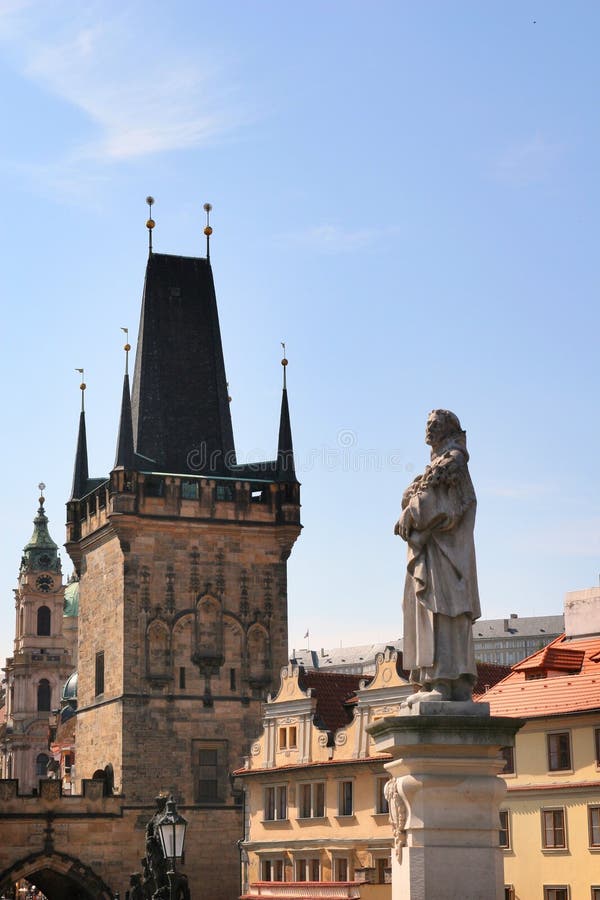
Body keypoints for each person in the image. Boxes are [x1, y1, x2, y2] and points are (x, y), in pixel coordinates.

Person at [395, 409, 481, 703]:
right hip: (435, 552)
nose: (428, 430)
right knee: (436, 610)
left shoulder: (453, 461)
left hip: (446, 555)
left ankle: (443, 683)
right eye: (427, 424)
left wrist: (410, 512)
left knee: (443, 611)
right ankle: (440, 682)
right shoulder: (439, 463)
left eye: (434, 425)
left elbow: (441, 503)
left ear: (447, 430)